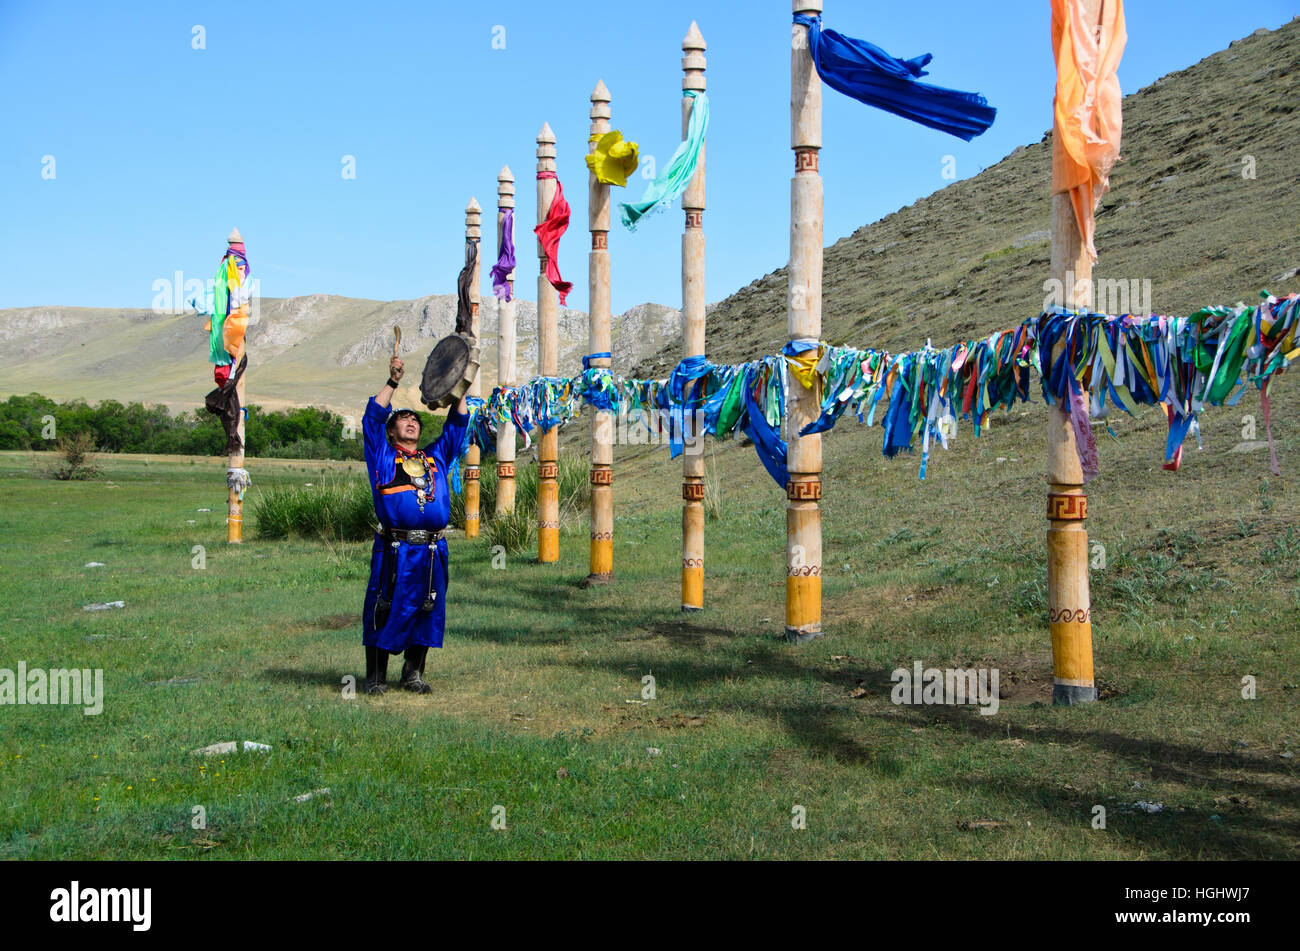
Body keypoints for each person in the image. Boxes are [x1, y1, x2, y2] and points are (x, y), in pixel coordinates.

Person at [361, 354, 470, 694]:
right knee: (385, 605)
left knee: (428, 606)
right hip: (396, 548)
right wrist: (393, 382)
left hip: (433, 549)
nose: (410, 421)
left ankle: (413, 674)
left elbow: (457, 425)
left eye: (414, 419)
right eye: (403, 419)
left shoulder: (434, 457)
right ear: (391, 432)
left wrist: (458, 385)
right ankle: (376, 678)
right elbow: (372, 416)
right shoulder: (382, 456)